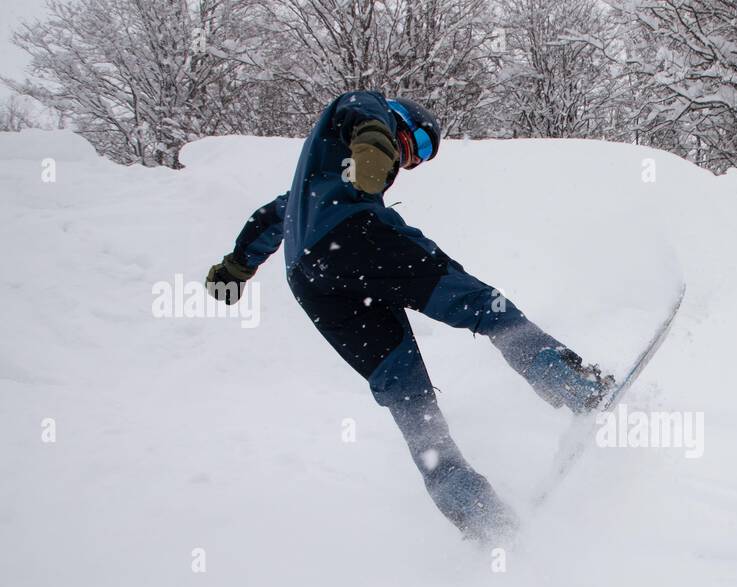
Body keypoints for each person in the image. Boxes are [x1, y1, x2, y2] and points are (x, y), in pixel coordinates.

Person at [205, 91, 611, 544]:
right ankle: (574, 386)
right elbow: (359, 108)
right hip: (354, 236)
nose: (409, 156)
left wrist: (234, 269)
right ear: (398, 118)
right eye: (415, 141)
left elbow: (268, 219)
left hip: (311, 283)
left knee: (408, 395)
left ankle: (476, 511)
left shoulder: (310, 190)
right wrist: (375, 141)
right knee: (481, 304)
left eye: (419, 157)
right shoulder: (361, 111)